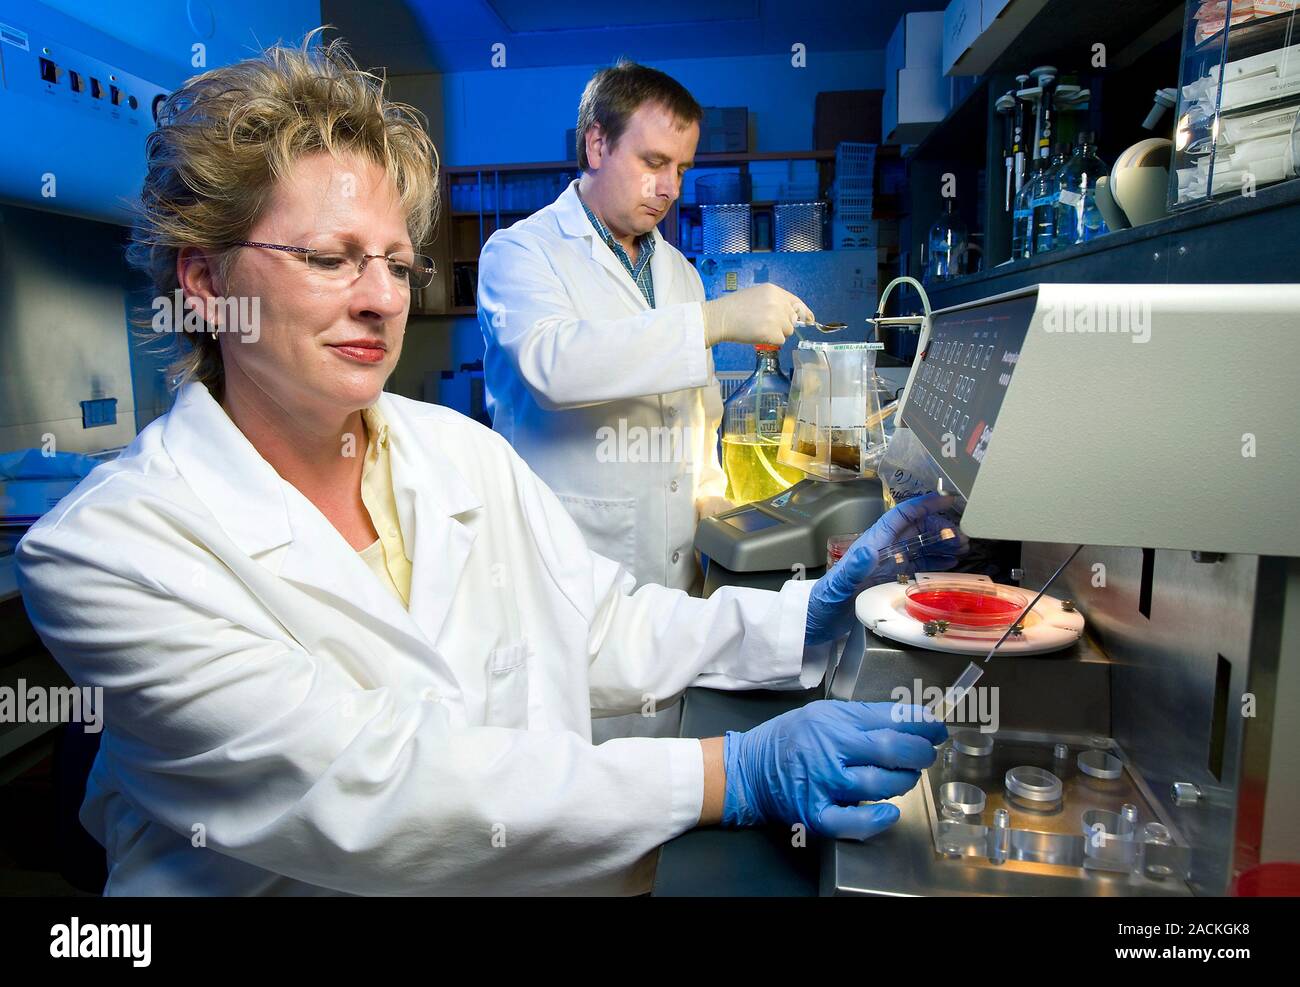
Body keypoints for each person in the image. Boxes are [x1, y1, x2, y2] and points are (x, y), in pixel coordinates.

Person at [16, 34, 964, 896]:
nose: (382, 299)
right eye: (332, 257)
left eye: (396, 262)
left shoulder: (459, 454)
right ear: (206, 279)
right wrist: (732, 773)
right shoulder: (106, 549)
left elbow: (596, 626)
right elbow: (370, 787)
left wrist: (802, 614)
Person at [478, 60, 819, 741]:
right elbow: (558, 363)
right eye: (653, 161)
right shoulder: (521, 254)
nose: (669, 188)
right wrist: (716, 321)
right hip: (572, 584)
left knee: (668, 809)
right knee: (583, 807)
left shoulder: (679, 271)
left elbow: (701, 417)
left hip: (679, 589)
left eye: (683, 169)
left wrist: (717, 503)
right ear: (597, 145)